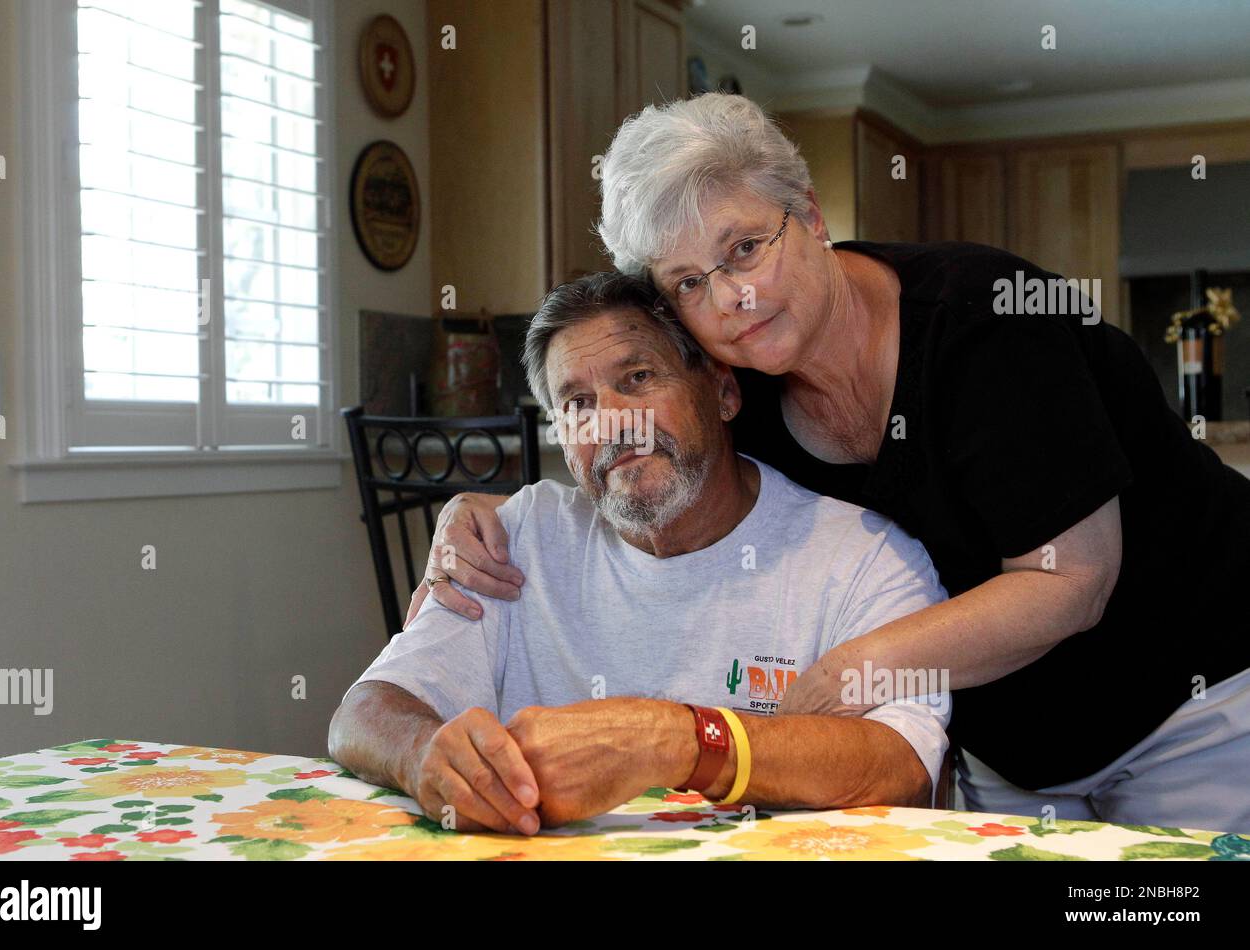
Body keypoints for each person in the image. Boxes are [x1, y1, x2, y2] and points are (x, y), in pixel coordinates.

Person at [410, 93, 1250, 834]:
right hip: (1007, 735)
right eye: (690, 283)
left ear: (809, 214)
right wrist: (483, 513)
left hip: (1193, 692)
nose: (731, 300)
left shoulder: (985, 323)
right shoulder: (747, 383)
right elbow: (646, 457)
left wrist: (850, 672)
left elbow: (1072, 582)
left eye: (744, 249)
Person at [329, 272, 949, 834]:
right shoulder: (512, 539)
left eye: (638, 379)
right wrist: (422, 755)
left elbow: (902, 765)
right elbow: (363, 711)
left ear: (724, 393)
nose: (611, 424)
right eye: (577, 404)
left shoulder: (866, 555)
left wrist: (677, 740)